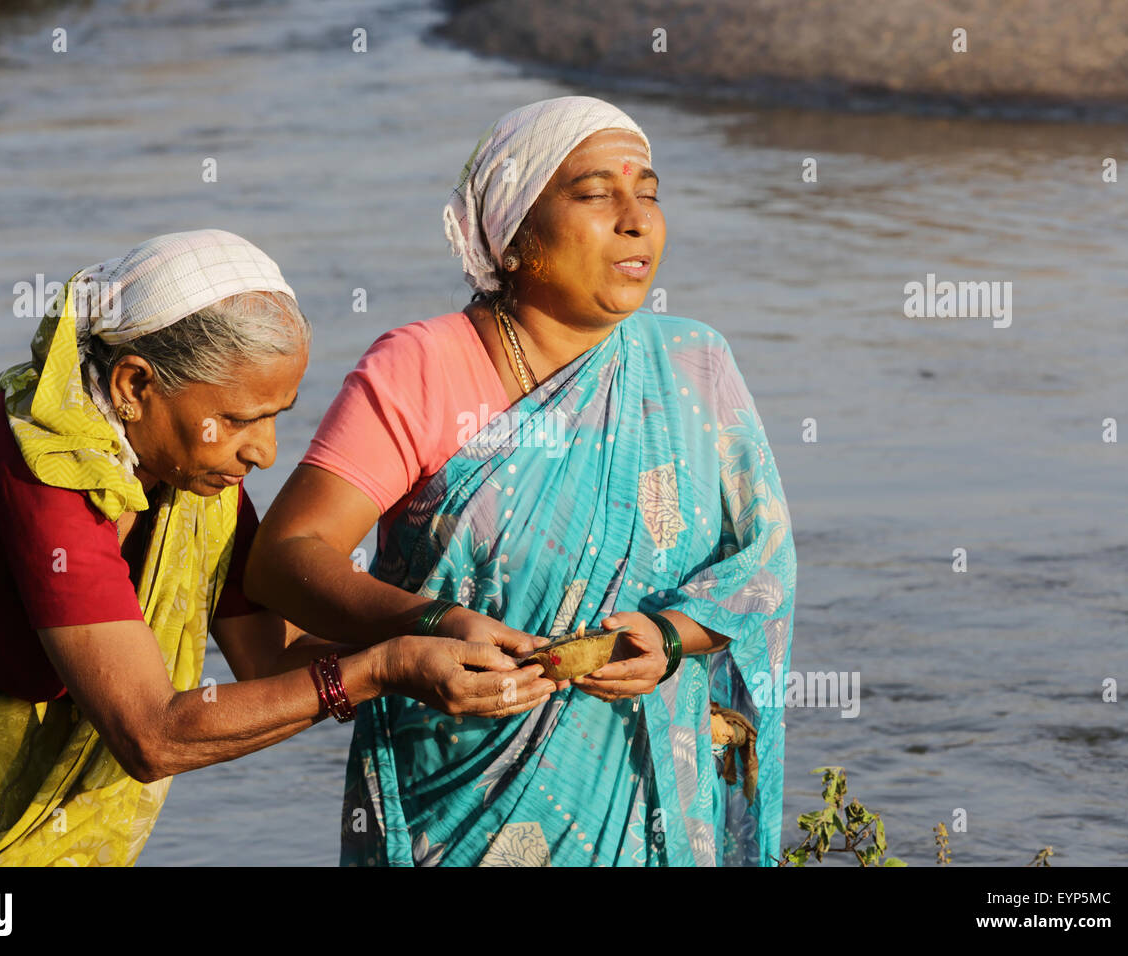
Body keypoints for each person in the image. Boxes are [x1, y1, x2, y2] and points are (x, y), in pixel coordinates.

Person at [0, 229, 553, 866]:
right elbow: (151, 735)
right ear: (135, 385)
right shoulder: (49, 481)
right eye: (238, 420)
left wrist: (434, 630)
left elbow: (268, 659)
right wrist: (384, 668)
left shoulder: (193, 481)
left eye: (276, 418)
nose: (264, 451)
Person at [248, 95, 797, 867]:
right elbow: (287, 558)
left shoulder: (693, 366)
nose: (636, 218)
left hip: (648, 809)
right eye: (596, 194)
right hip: (458, 800)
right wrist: (435, 626)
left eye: (648, 191)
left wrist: (671, 638)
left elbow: (762, 564)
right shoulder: (421, 369)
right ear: (513, 237)